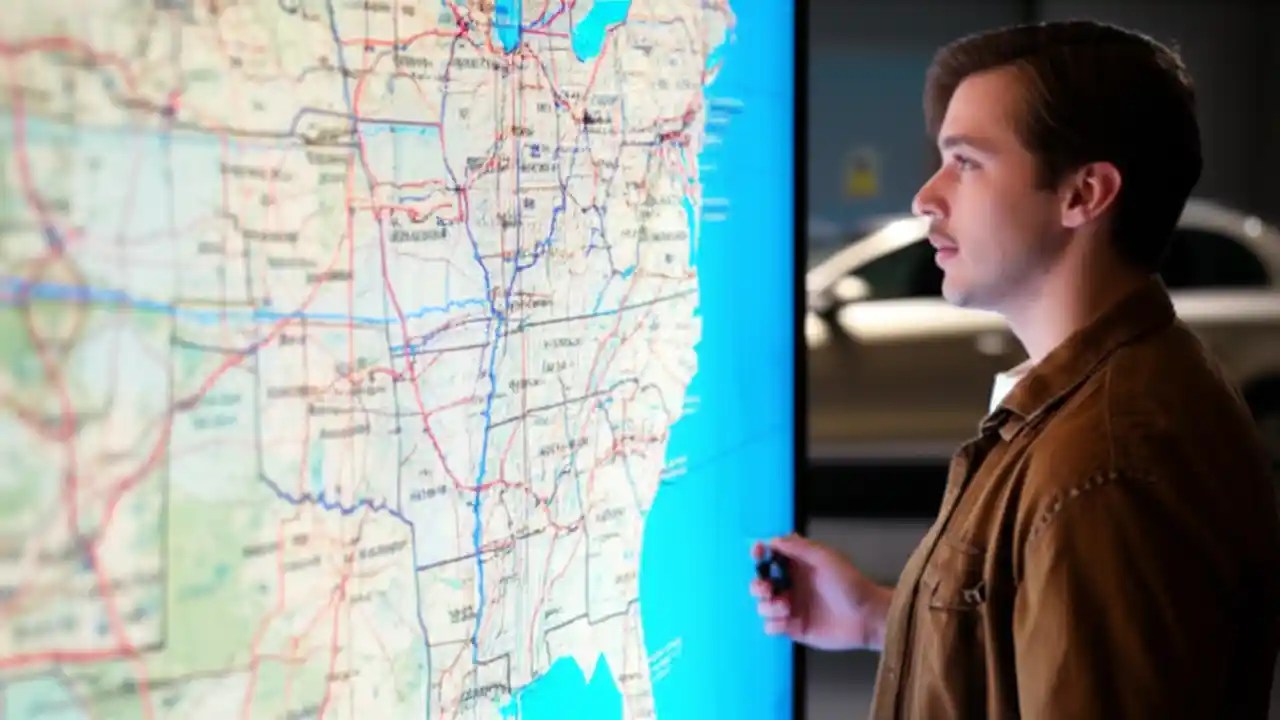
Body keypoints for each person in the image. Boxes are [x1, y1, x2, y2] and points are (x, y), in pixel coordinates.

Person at [754, 19, 1280, 719]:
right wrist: (884, 618)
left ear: (1083, 195)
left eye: (966, 162)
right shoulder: (1108, 395)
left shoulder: (1107, 467)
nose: (925, 198)